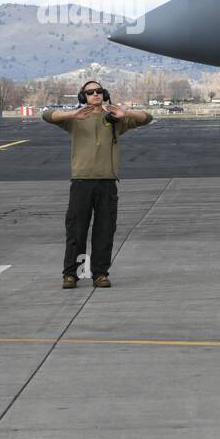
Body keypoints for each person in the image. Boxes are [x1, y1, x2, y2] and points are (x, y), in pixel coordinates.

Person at [42, 81, 154, 288]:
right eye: (90, 92)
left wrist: (126, 113)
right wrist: (71, 115)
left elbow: (147, 118)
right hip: (82, 182)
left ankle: (100, 274)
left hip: (107, 182)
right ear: (83, 96)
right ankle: (70, 275)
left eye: (99, 91)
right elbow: (47, 115)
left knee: (105, 230)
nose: (95, 94)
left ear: (105, 94)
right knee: (76, 230)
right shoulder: (76, 119)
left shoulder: (114, 118)